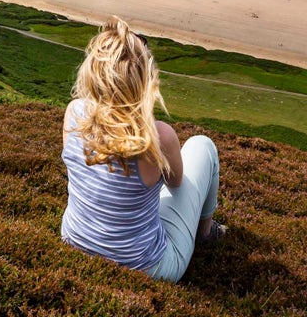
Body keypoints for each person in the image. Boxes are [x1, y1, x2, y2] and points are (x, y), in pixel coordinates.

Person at [60, 16, 224, 283]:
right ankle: (206, 233)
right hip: (148, 268)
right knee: (202, 146)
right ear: (144, 82)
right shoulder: (157, 137)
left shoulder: (74, 114)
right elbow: (177, 182)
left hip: (75, 240)